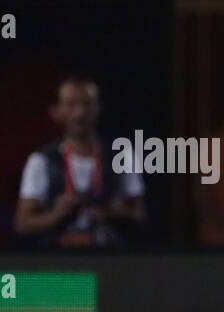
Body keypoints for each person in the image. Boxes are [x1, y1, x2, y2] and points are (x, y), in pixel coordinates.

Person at [14, 78, 145, 246]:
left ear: (98, 108)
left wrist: (112, 212)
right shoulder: (41, 161)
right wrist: (56, 215)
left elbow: (139, 213)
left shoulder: (122, 155)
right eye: (71, 105)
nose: (80, 114)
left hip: (109, 256)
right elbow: (22, 224)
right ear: (56, 111)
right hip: (59, 259)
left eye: (87, 104)